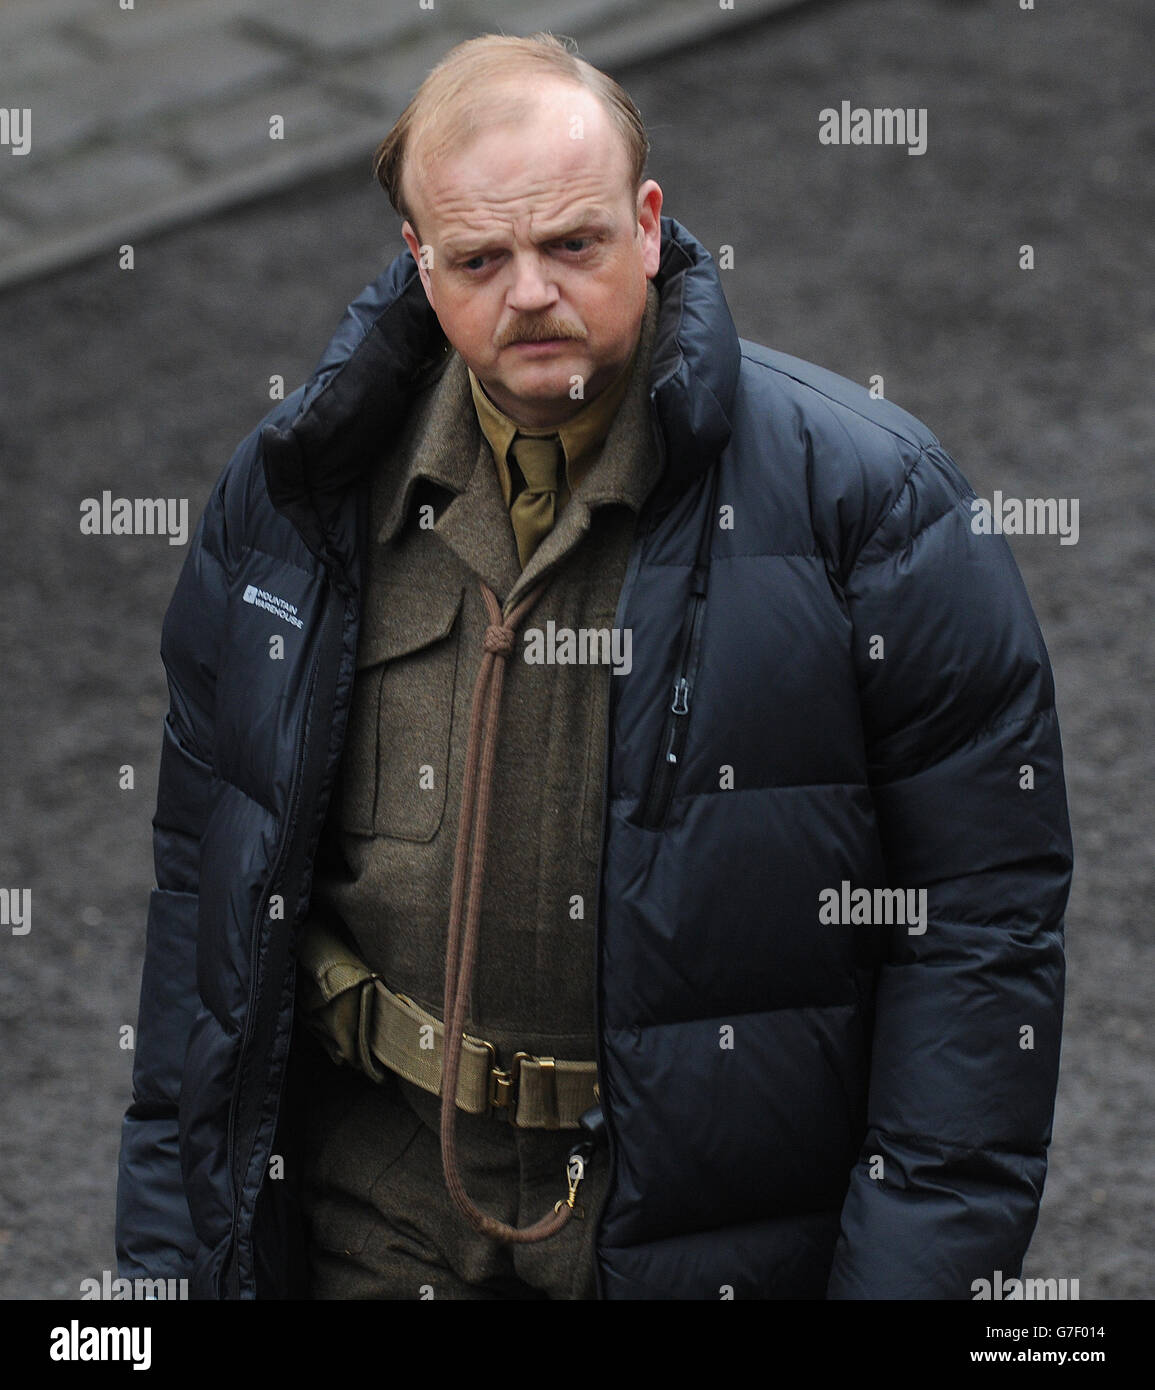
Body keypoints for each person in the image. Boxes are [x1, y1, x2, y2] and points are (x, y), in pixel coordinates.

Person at [116, 32, 1072, 1300]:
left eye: (571, 243)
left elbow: (981, 934)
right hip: (371, 1212)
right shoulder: (297, 499)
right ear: (419, 260)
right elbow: (204, 900)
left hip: (701, 1239)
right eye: (478, 259)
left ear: (648, 220)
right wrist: (168, 1271)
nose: (529, 294)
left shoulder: (875, 507)